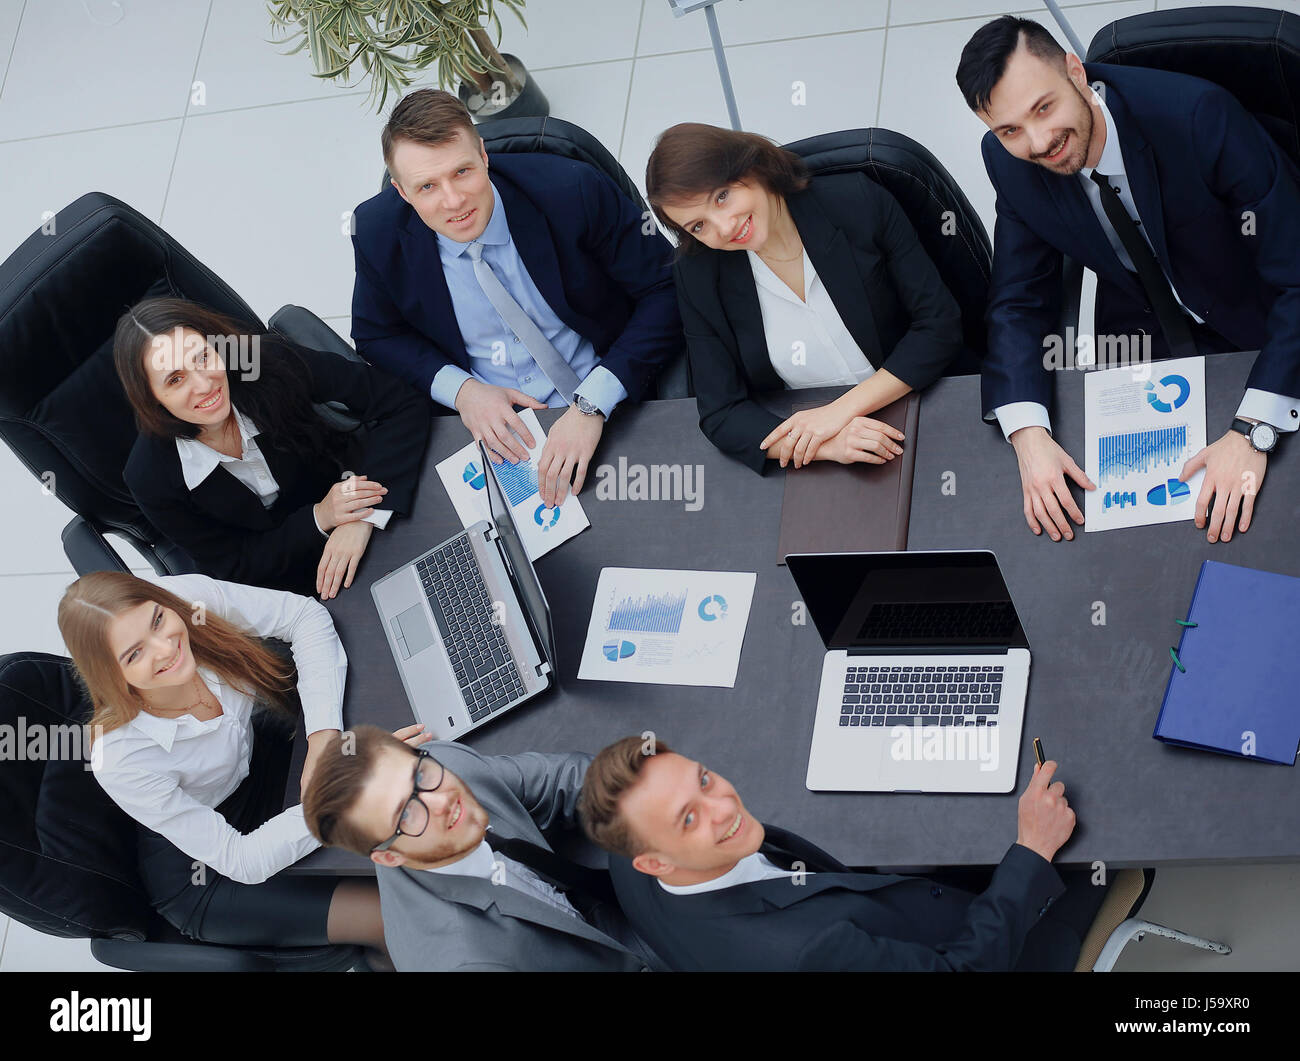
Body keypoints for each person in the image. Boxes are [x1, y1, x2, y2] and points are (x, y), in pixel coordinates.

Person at [956, 16, 1300, 544]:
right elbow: (1018, 301)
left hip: (1259, 317)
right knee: (1126, 534)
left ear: (1076, 72)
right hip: (1141, 324)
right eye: (1009, 130)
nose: (1039, 142)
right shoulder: (1007, 162)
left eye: (1043, 108)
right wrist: (1026, 430)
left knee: (1269, 521)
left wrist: (1255, 427)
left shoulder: (1198, 117)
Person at [56, 570, 427, 960]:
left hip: (259, 770)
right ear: (111, 675)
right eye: (135, 654)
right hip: (207, 872)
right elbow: (242, 860)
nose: (164, 648)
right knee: (390, 914)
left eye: (158, 620)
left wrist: (324, 742)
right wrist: (346, 791)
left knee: (415, 833)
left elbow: (304, 617)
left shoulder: (184, 601)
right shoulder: (121, 759)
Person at [351, 89, 684, 508]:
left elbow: (667, 287)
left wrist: (591, 404)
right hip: (492, 427)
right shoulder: (377, 231)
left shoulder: (573, 191)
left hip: (610, 392)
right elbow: (376, 336)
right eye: (427, 186)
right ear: (402, 192)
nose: (454, 201)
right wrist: (463, 391)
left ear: (485, 157)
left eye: (463, 172)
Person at [577, 735, 1110, 972]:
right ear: (656, 862)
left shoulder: (628, 859)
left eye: (705, 780)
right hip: (998, 950)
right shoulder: (805, 953)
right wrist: (1031, 851)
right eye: (688, 819)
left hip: (888, 912)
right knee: (1109, 842)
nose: (723, 808)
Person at [646, 122, 966, 474]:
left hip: (926, 397)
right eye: (698, 226)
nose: (724, 228)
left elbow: (939, 326)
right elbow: (721, 413)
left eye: (722, 197)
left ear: (750, 166)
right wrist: (826, 444)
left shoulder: (856, 202)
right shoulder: (698, 274)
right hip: (826, 446)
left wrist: (840, 412)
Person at [115, 298, 429, 599]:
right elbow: (233, 567)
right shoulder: (150, 476)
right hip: (288, 585)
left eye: (202, 357)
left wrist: (363, 515)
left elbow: (399, 401)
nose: (204, 384)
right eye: (175, 379)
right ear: (152, 398)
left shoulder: (265, 363)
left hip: (363, 497)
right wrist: (320, 517)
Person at [302, 725, 660, 972]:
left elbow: (561, 779)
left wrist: (660, 808)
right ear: (390, 857)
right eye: (407, 813)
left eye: (419, 776)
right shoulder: (471, 960)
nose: (439, 801)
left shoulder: (439, 766)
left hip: (608, 915)